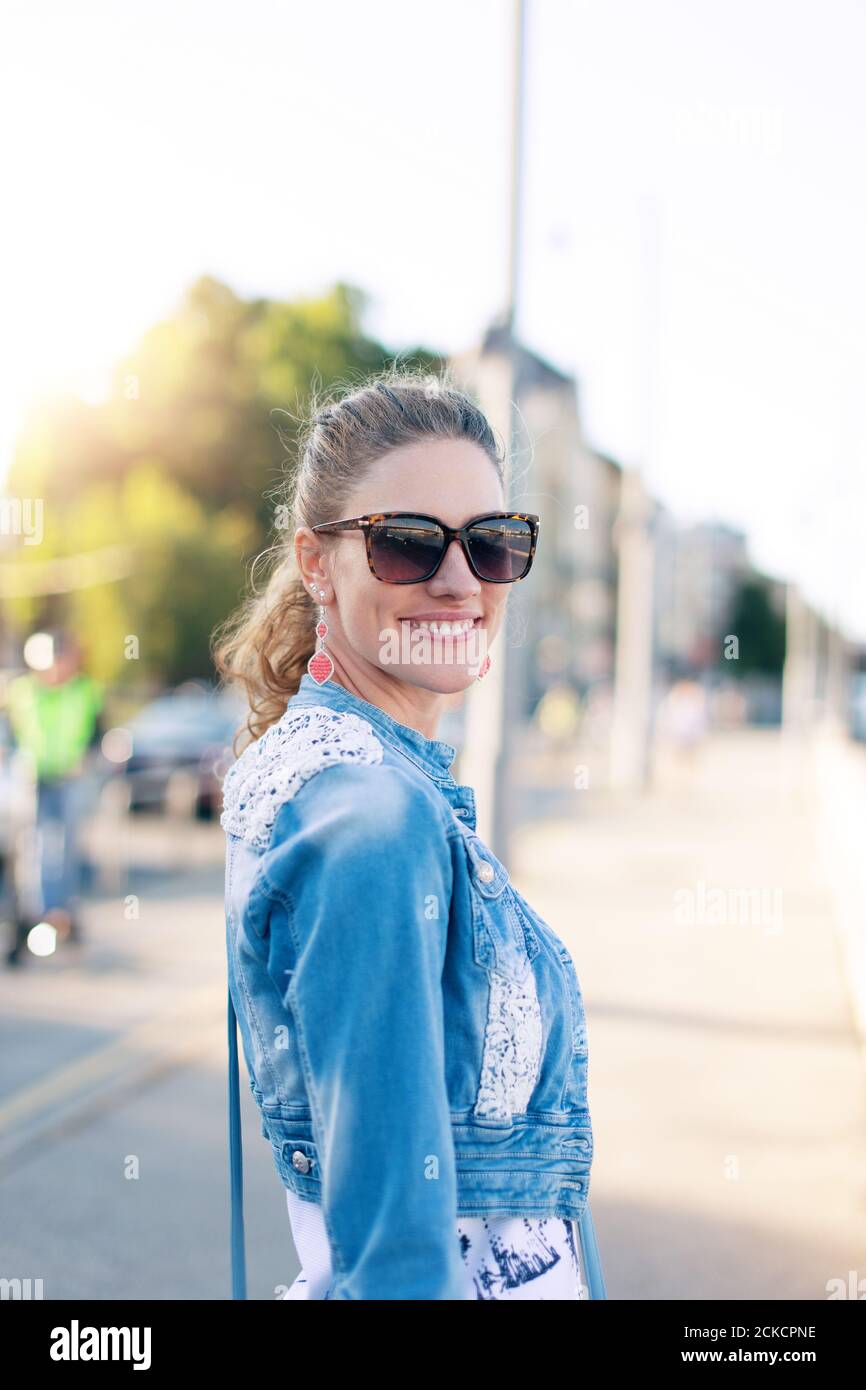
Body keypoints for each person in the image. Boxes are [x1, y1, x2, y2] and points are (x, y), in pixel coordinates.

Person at [214, 367, 607, 1301]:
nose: (460, 581)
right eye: (406, 545)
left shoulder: (368, 780)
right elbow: (394, 1263)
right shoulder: (369, 815)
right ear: (318, 565)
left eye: (493, 543)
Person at [5, 629, 103, 954]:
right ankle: (38, 913)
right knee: (36, 848)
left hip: (70, 778)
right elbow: (13, 733)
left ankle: (62, 912)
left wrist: (85, 759)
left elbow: (96, 732)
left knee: (66, 848)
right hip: (34, 779)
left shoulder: (84, 691)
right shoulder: (23, 692)